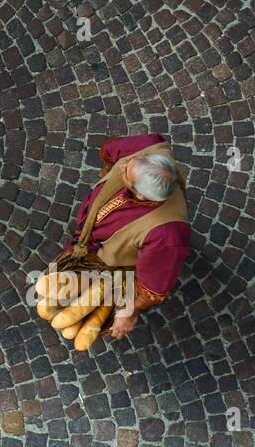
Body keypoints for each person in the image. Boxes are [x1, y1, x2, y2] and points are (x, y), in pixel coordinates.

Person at [63, 134, 190, 339]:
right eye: (130, 163)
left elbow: (153, 287)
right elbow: (112, 151)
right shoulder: (149, 147)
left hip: (112, 263)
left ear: (141, 196)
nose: (122, 167)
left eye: (127, 176)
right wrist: (106, 172)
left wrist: (130, 311)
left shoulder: (166, 235)